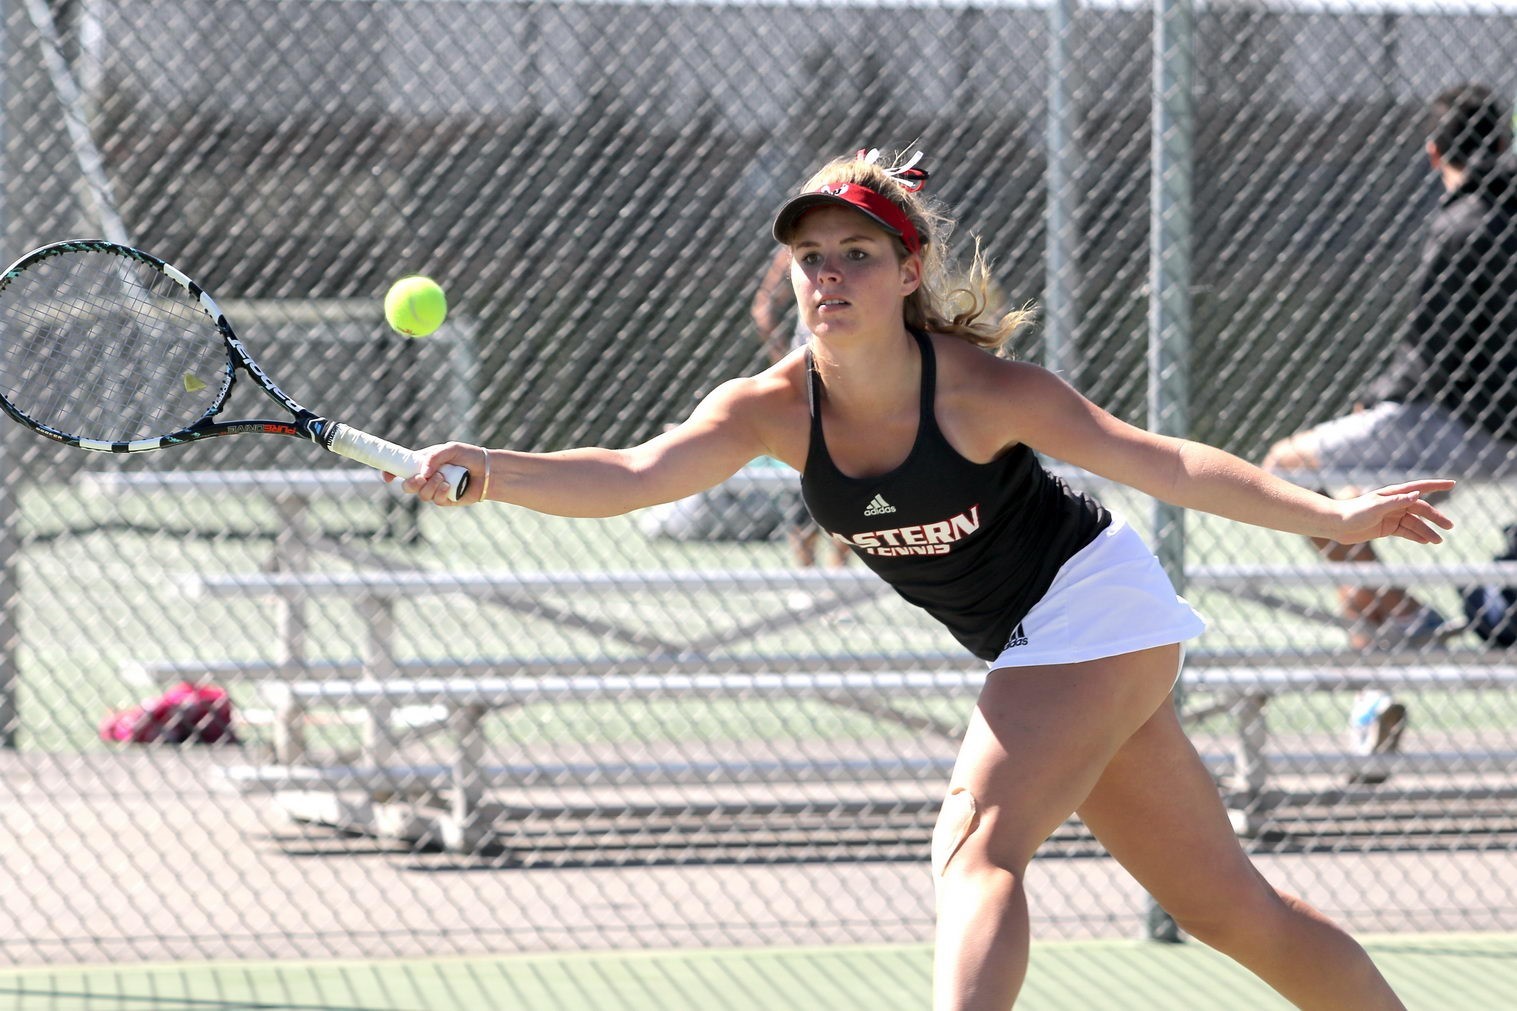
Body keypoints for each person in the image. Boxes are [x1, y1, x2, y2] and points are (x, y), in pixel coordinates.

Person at [400, 148, 1447, 1009]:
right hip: (1051, 643)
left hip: (1092, 605)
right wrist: (491, 472)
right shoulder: (766, 408)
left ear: (908, 274)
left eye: (855, 254)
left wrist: (1328, 514)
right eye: (809, 257)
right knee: (1228, 912)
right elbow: (633, 475)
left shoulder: (984, 392)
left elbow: (1159, 458)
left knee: (973, 845)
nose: (828, 276)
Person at [1263, 82, 1517, 651]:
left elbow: (1430, 345)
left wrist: (1375, 397)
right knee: (1355, 499)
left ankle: (1394, 614)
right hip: (1491, 428)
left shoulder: (1462, 223)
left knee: (1287, 469)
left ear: (1434, 153)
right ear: (1502, 142)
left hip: (1469, 427)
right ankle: (1376, 639)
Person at [751, 245, 853, 570]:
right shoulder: (791, 253)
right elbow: (763, 310)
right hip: (812, 379)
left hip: (851, 378)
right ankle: (813, 585)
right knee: (807, 481)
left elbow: (764, 311)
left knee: (849, 481)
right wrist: (785, 363)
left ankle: (834, 588)